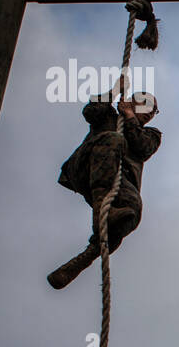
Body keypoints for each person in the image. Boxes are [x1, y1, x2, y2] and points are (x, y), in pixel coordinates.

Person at [48, 74, 160, 289]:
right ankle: (101, 211)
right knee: (113, 139)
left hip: (117, 181)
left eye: (154, 110)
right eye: (146, 104)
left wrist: (129, 117)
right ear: (133, 101)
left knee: (132, 210)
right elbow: (90, 112)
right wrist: (114, 92)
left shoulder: (151, 135)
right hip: (87, 167)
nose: (150, 113)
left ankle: (84, 259)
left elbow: (142, 147)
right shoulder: (109, 116)